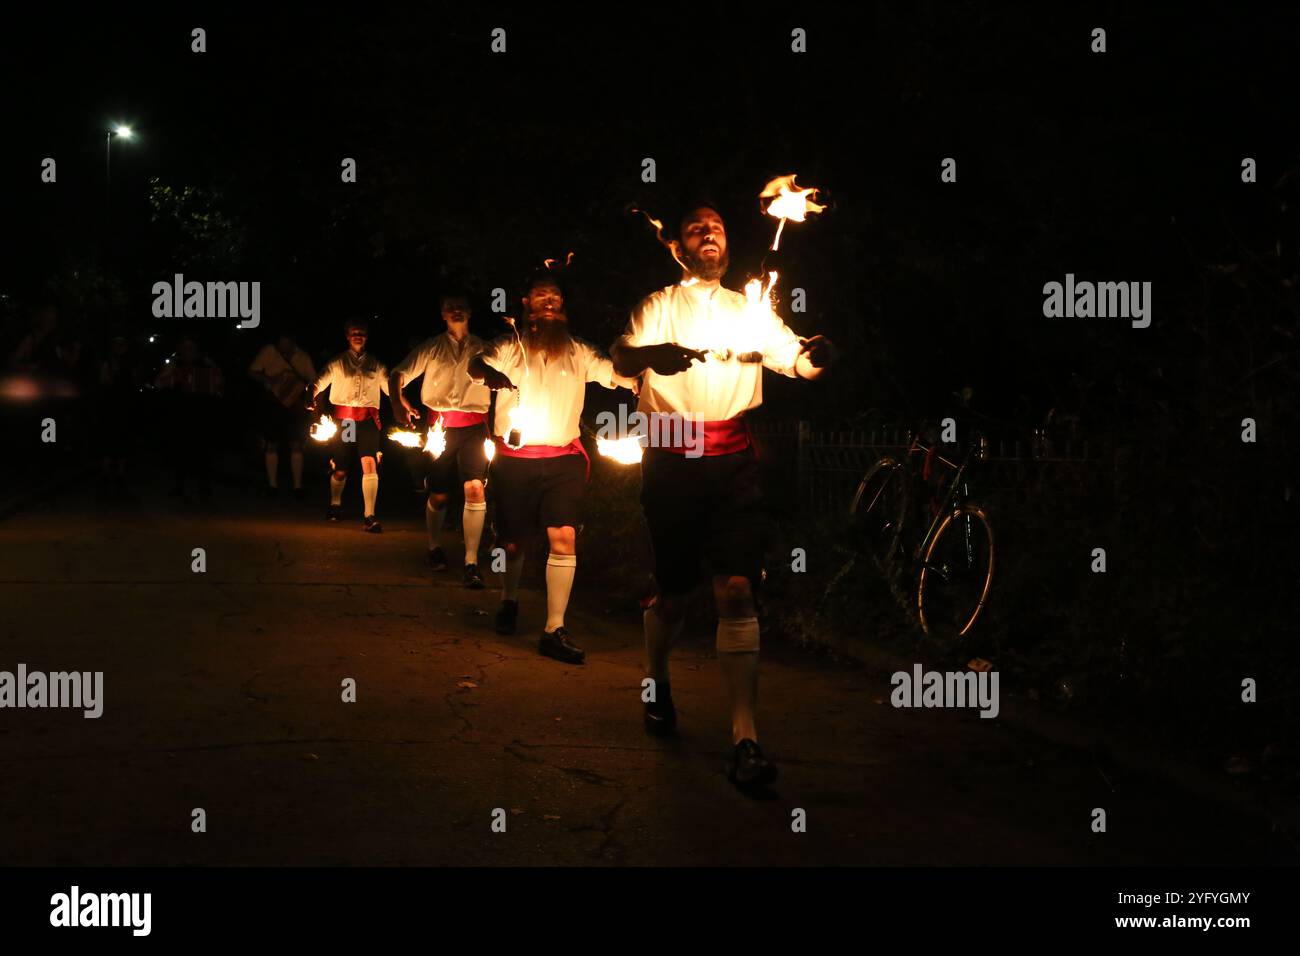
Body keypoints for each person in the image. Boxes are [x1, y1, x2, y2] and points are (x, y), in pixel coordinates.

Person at [611, 201, 836, 786]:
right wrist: (649, 356)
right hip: (671, 459)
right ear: (679, 246)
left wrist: (816, 357)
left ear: (727, 244)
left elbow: (796, 361)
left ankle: (745, 739)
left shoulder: (749, 310)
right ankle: (656, 677)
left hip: (734, 460)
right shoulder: (658, 306)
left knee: (737, 590)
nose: (708, 233)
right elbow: (620, 356)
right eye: (695, 228)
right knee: (678, 594)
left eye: (717, 226)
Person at [469, 271, 636, 664]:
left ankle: (554, 628)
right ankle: (509, 599)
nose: (550, 301)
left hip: (563, 460)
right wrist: (489, 374)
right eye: (541, 295)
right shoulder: (509, 345)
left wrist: (642, 377)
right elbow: (477, 365)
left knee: (564, 537)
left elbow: (615, 373)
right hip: (515, 461)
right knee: (512, 543)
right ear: (526, 303)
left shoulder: (579, 350)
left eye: (556, 297)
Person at [390, 291, 492, 588]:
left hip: (475, 428)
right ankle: (434, 547)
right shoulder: (431, 347)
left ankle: (471, 562)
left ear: (469, 312)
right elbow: (399, 372)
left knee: (475, 489)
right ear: (443, 314)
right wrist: (398, 401)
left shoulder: (486, 349)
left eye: (461, 306)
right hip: (440, 428)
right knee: (440, 494)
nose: (456, 311)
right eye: (450, 307)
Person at [308, 320, 390, 532]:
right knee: (342, 468)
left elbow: (392, 389)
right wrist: (311, 396)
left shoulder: (376, 365)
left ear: (366, 337)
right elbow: (318, 382)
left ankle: (369, 516)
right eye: (354, 332)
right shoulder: (337, 363)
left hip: (368, 421)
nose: (358, 336)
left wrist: (405, 405)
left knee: (369, 464)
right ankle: (335, 504)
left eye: (361, 333)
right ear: (347, 336)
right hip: (346, 423)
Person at [154, 336, 225, 498]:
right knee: (181, 450)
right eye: (185, 347)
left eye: (191, 347)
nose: (188, 350)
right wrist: (170, 376)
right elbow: (158, 384)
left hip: (203, 412)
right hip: (181, 412)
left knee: (204, 451)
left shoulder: (206, 363)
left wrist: (215, 373)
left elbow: (219, 385)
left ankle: (204, 488)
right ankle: (179, 487)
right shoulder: (174, 364)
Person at [248, 334, 316, 499]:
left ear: (293, 342)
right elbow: (251, 371)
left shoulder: (302, 356)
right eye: (281, 342)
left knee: (296, 444)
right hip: (273, 403)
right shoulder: (269, 351)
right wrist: (270, 380)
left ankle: (297, 487)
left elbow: (313, 379)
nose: (284, 346)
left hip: (295, 405)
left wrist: (307, 397)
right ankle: (272, 486)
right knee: (271, 443)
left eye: (287, 342)